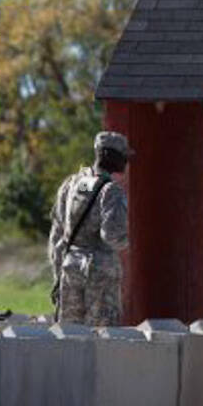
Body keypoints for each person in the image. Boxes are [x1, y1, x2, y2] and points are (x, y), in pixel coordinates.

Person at [48, 131, 132, 326]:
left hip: (70, 269)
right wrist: (129, 240)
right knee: (102, 339)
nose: (126, 161)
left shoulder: (72, 184)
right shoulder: (111, 191)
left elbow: (57, 236)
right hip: (100, 275)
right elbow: (114, 237)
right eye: (124, 156)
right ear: (113, 157)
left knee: (70, 336)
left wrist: (58, 274)